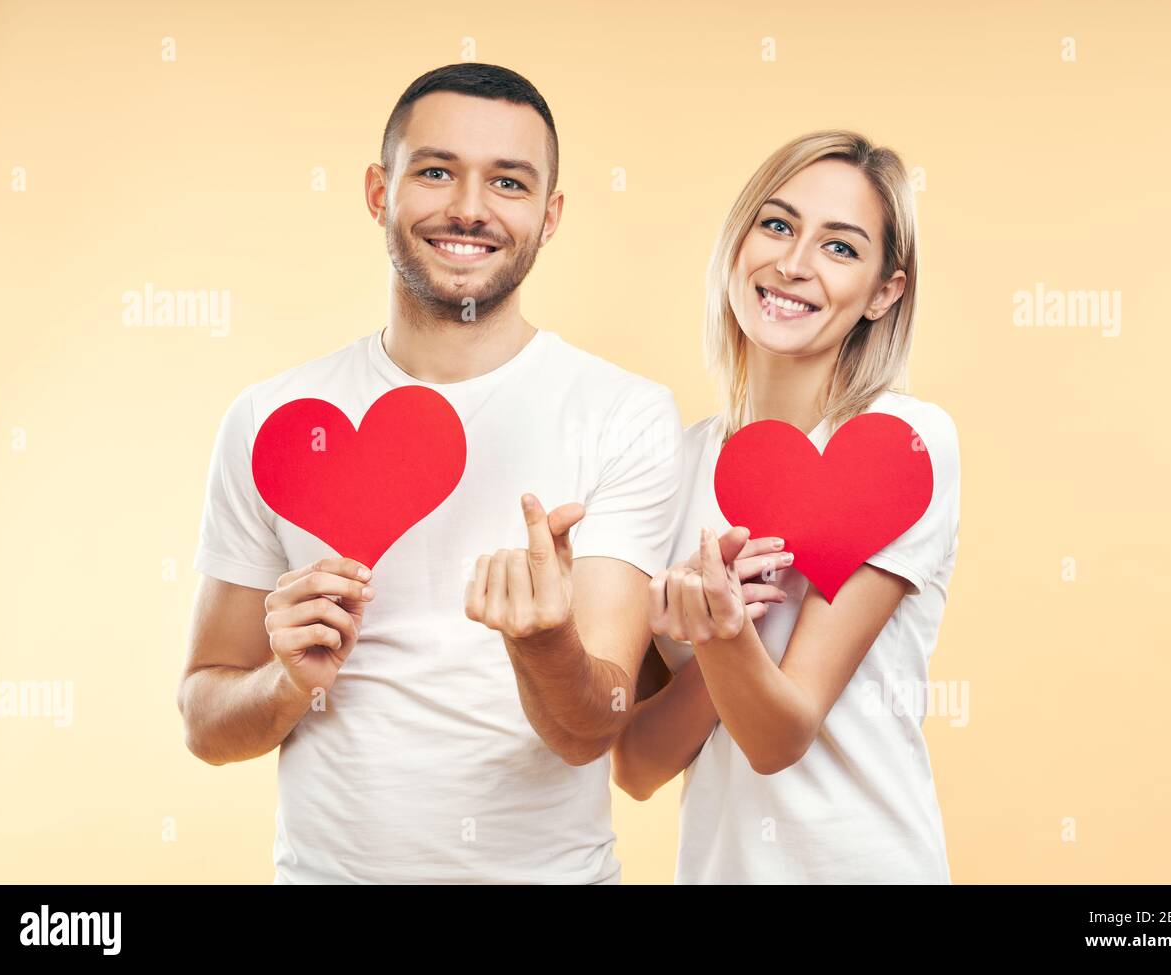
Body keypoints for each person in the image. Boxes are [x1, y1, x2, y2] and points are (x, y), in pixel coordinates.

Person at [178, 62, 684, 884]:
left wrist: (547, 643)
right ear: (380, 191)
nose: (470, 209)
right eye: (437, 171)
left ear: (550, 216)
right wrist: (285, 683)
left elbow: (596, 728)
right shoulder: (273, 420)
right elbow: (204, 721)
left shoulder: (623, 414)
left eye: (509, 182)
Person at [611, 130, 960, 884]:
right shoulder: (669, 466)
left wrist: (728, 633)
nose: (795, 263)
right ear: (738, 242)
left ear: (883, 292)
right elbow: (637, 766)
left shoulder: (901, 446)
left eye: (841, 248)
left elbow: (781, 735)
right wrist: (718, 636)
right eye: (777, 225)